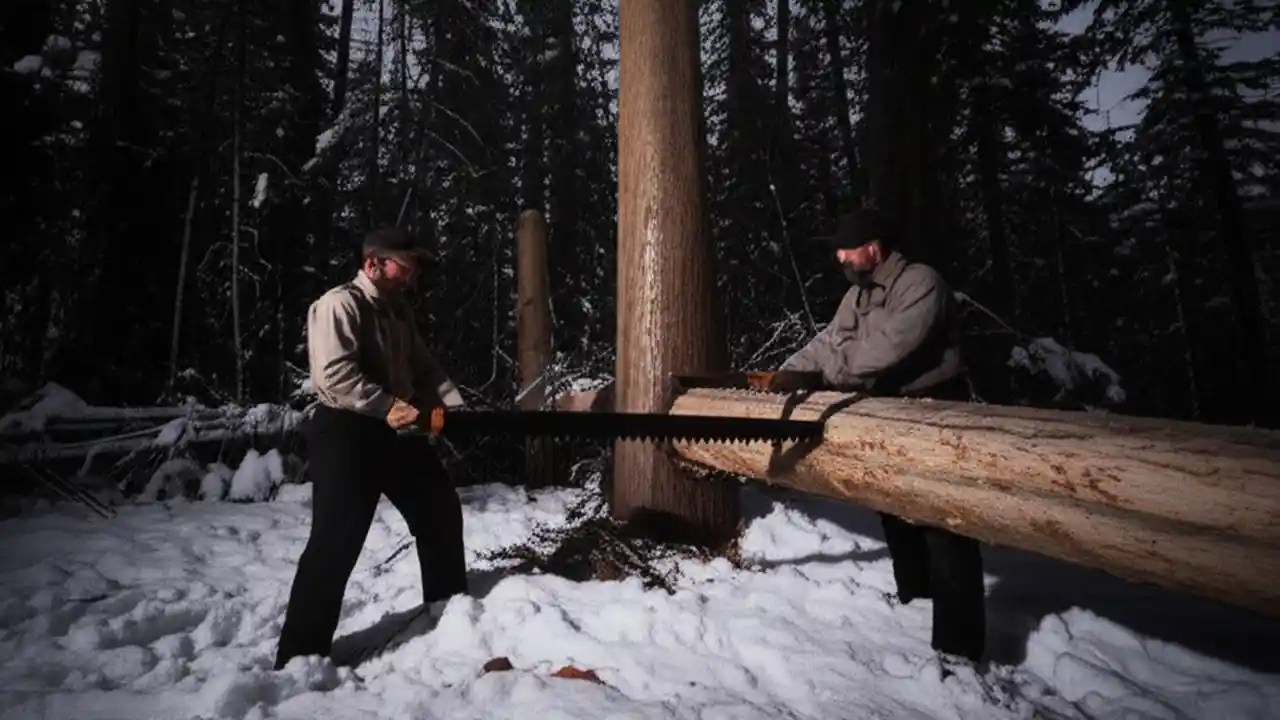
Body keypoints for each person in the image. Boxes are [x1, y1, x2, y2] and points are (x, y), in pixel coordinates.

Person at [778, 208, 985, 663]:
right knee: (892, 506)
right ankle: (915, 600)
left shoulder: (920, 283)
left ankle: (960, 648)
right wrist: (785, 375)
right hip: (889, 410)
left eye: (847, 248)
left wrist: (833, 373)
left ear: (874, 246)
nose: (840, 257)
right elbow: (829, 342)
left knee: (942, 521)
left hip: (937, 411)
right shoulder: (858, 295)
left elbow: (887, 348)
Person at [274, 227, 469, 670]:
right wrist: (391, 406)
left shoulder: (399, 312)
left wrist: (457, 410)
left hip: (394, 431)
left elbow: (424, 368)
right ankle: (299, 657)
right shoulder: (339, 304)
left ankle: (451, 616)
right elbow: (335, 378)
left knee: (439, 511)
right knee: (335, 541)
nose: (411, 276)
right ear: (373, 263)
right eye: (405, 266)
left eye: (415, 269)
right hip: (346, 432)